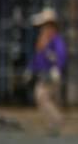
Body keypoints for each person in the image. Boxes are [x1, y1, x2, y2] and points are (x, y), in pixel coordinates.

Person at [28, 8, 67, 136]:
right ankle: (52, 125)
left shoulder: (56, 40)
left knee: (41, 96)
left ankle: (57, 120)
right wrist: (31, 69)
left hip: (52, 74)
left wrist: (57, 68)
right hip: (43, 74)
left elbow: (61, 55)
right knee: (46, 99)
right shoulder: (44, 40)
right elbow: (38, 57)